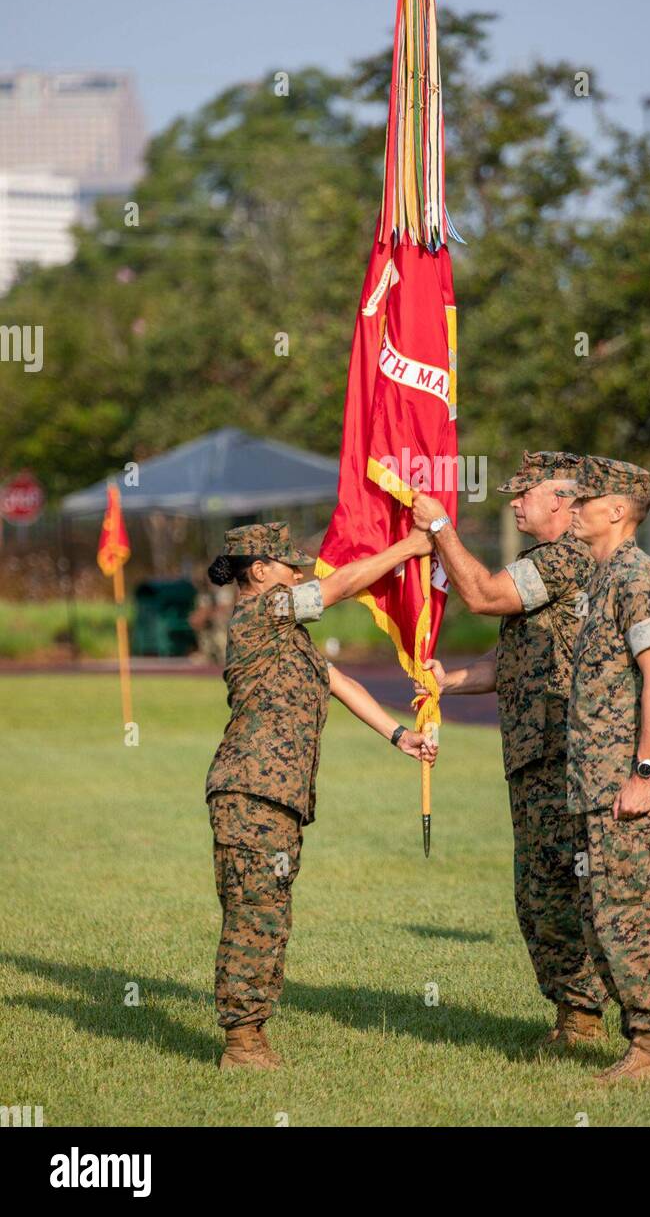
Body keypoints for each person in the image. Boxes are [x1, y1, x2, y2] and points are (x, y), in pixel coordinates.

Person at [205, 520, 437, 1072]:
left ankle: (252, 1033)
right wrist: (407, 547)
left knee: (271, 913)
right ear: (259, 572)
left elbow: (345, 685)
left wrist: (401, 736)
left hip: (276, 799)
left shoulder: (289, 636)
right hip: (250, 794)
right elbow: (340, 587)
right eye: (289, 567)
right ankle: (241, 1043)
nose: (298, 574)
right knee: (253, 916)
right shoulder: (259, 615)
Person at [411, 452, 609, 1051]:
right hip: (533, 753)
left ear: (562, 500)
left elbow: (483, 596)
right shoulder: (538, 561)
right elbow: (510, 659)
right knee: (538, 892)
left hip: (568, 753)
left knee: (571, 887)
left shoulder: (570, 556)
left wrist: (442, 527)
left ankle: (610, 1018)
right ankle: (577, 1018)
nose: (515, 502)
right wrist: (451, 681)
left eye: (525, 493)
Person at [556, 457, 650, 1084]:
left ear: (617, 510)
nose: (573, 509)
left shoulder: (637, 577)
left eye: (585, 500)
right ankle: (639, 1037)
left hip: (627, 784)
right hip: (598, 783)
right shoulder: (604, 578)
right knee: (601, 912)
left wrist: (644, 771)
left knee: (633, 911)